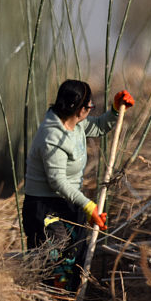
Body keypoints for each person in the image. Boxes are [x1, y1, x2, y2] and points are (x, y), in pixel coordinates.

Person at [23, 80, 134, 290]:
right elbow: (57, 180)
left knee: (76, 252)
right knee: (57, 253)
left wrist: (115, 109)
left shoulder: (77, 124)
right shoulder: (52, 135)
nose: (90, 111)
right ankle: (51, 298)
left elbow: (100, 126)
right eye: (90, 106)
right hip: (44, 206)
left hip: (68, 201)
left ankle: (69, 300)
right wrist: (88, 205)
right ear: (80, 109)